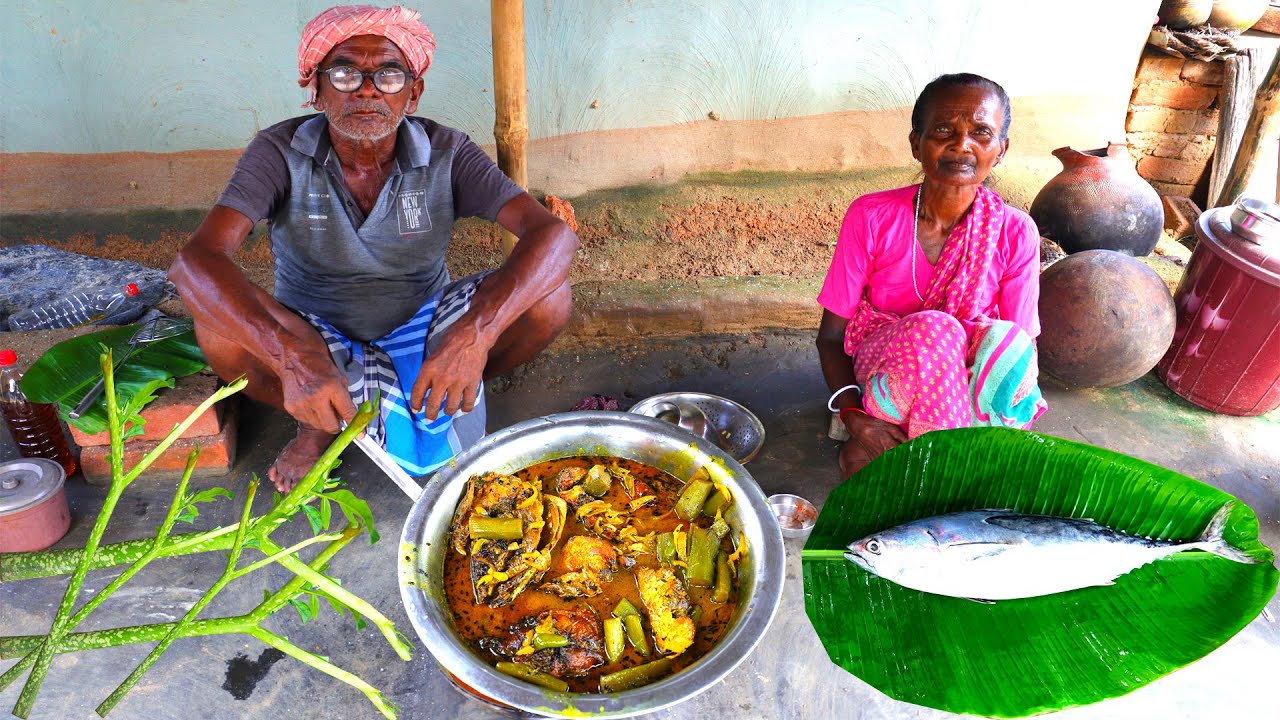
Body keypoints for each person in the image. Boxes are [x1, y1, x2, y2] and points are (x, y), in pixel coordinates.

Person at [170, 5, 578, 492]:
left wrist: (474, 336)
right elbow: (195, 263)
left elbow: (553, 235)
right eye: (345, 74)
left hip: (424, 327)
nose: (367, 90)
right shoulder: (279, 151)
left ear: (413, 93)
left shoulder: (446, 151)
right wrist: (289, 353)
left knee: (549, 300)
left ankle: (449, 384)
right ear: (317, 89)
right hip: (312, 335)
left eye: (388, 75)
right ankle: (316, 425)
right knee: (216, 327)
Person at [815, 73, 1046, 477]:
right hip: (887, 384)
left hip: (964, 392)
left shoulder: (1016, 231)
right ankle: (939, 466)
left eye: (981, 133)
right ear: (916, 143)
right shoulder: (872, 216)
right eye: (943, 130)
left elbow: (1016, 352)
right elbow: (831, 338)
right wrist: (854, 416)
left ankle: (931, 449)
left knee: (1008, 340)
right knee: (937, 331)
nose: (962, 145)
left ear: (1001, 149)